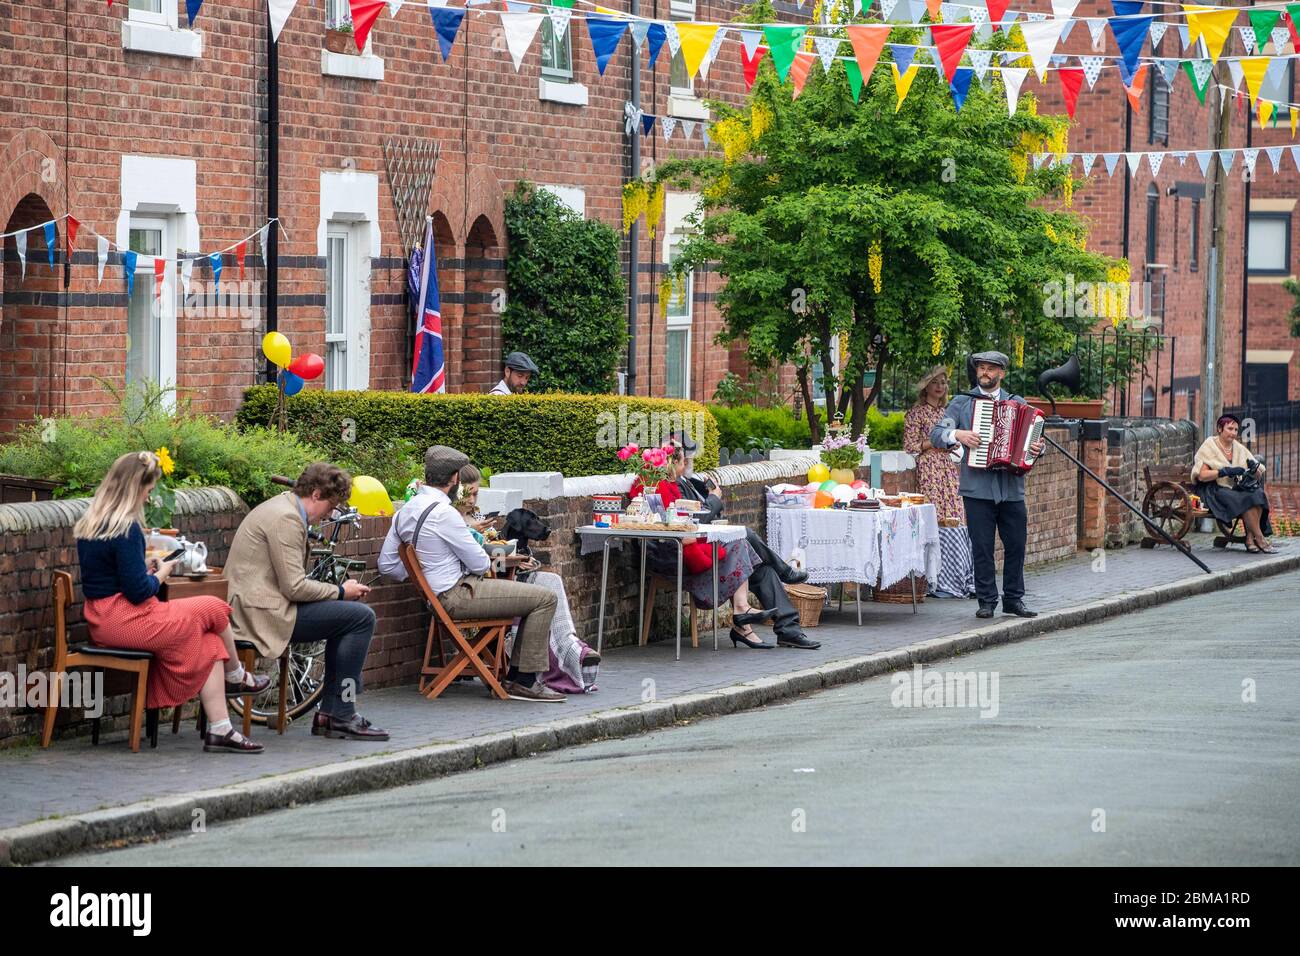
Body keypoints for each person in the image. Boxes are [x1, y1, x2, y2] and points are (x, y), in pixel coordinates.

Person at [74, 451, 269, 753]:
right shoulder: (126, 529)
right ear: (135, 488)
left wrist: (144, 566)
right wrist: (163, 571)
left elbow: (112, 575)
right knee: (214, 607)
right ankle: (236, 676)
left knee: (209, 643)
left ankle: (221, 730)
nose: (149, 498)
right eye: (149, 490)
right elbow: (140, 592)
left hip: (102, 617)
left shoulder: (92, 522)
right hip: (126, 618)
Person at [378, 445, 566, 701]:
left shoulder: (404, 513)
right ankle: (523, 681)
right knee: (545, 598)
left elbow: (387, 565)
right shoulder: (445, 513)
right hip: (458, 595)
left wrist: (422, 572)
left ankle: (518, 678)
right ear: (455, 478)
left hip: (434, 599)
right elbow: (479, 564)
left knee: (537, 597)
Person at [225, 463, 389, 741]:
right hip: (260, 613)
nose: (329, 513)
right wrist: (340, 591)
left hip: (259, 603)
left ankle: (335, 712)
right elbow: (294, 587)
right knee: (361, 618)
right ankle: (342, 713)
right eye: (330, 505)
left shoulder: (282, 507)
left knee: (350, 618)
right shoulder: (286, 519)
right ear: (315, 494)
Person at [633, 438, 820, 650]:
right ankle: (773, 597)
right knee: (745, 538)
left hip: (703, 543)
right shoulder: (662, 486)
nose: (686, 464)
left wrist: (711, 498)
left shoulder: (688, 482)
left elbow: (704, 516)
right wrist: (714, 499)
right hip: (683, 552)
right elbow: (690, 520)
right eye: (683, 459)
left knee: (759, 562)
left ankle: (787, 630)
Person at [454, 463, 600, 693]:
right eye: (469, 493)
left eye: (476, 493)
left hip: (497, 576)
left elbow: (494, 553)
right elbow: (479, 560)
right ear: (456, 489)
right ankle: (527, 675)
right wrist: (489, 543)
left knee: (552, 582)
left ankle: (572, 646)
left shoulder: (476, 516)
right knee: (544, 599)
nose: (473, 499)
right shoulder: (453, 521)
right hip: (479, 585)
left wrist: (518, 558)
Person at [930, 351, 1047, 619]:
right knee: (982, 547)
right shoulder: (962, 403)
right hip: (977, 489)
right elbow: (936, 434)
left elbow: (1035, 444)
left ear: (1001, 374)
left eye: (990, 369)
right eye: (981, 368)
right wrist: (958, 434)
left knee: (1016, 545)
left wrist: (1037, 449)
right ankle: (986, 601)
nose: (984, 372)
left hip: (1011, 490)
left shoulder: (1017, 403)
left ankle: (1014, 599)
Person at [904, 366, 975, 599]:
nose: (940, 386)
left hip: (949, 466)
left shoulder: (948, 413)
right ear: (926, 386)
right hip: (930, 469)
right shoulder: (916, 413)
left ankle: (959, 576)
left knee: (957, 516)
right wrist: (935, 442)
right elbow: (911, 445)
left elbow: (957, 439)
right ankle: (938, 579)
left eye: (943, 382)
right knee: (936, 518)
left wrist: (951, 442)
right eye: (935, 382)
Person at [1192, 413, 1274, 553]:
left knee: (1258, 494)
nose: (1233, 433)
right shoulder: (1209, 446)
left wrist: (1253, 470)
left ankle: (1249, 538)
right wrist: (1224, 471)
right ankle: (1259, 538)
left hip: (1233, 488)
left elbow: (1258, 471)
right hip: (1213, 489)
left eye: (1236, 430)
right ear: (1220, 429)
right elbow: (1202, 476)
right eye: (1230, 428)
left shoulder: (1238, 448)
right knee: (1245, 499)